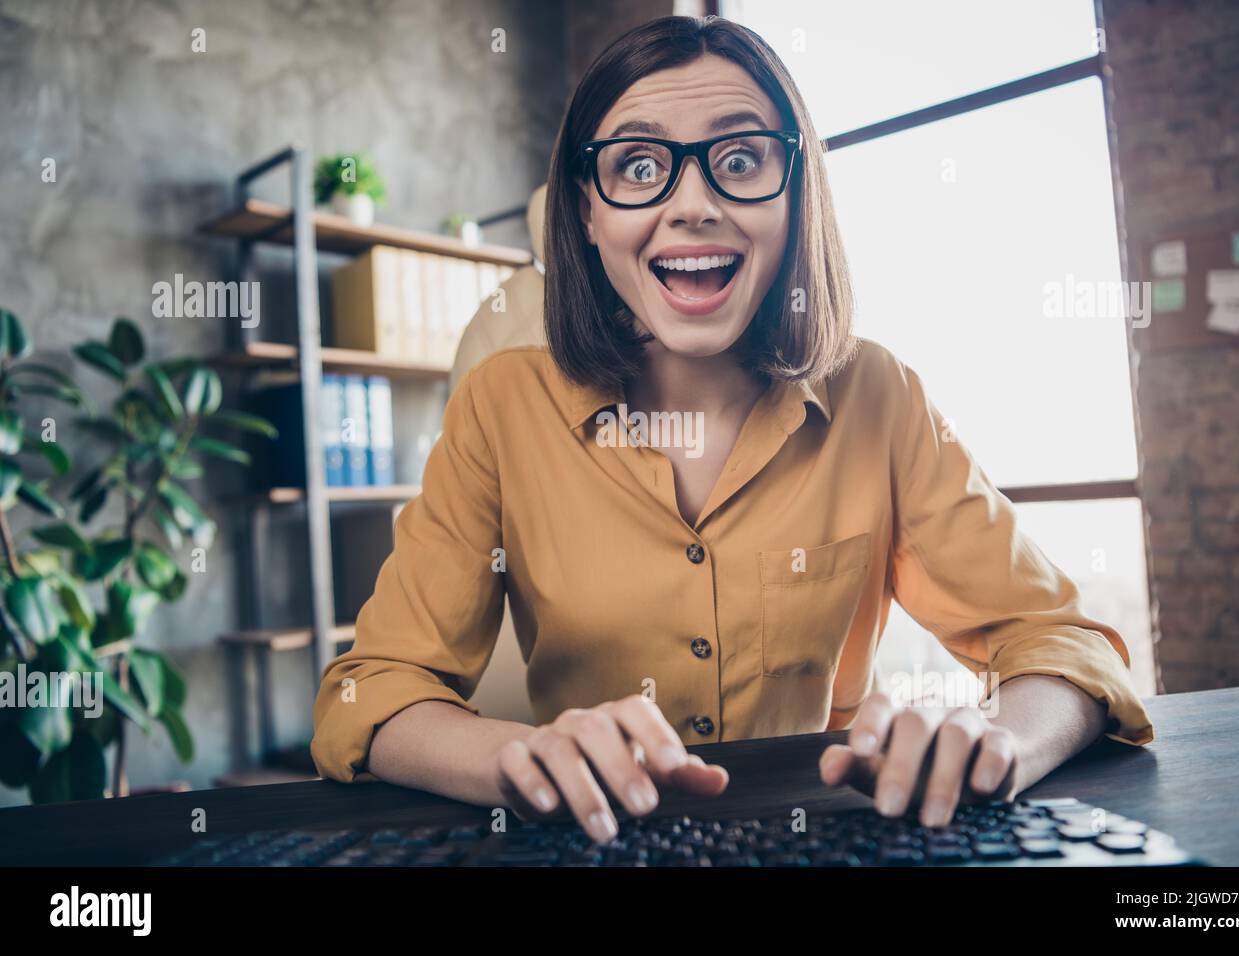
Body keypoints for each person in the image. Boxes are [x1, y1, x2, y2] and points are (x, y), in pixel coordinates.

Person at [312, 14, 1154, 846]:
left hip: (820, 838)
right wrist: (525, 759)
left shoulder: (879, 395)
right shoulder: (501, 406)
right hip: (593, 841)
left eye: (741, 159)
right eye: (639, 165)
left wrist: (997, 740)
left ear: (794, 194)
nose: (693, 205)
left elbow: (1062, 644)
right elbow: (372, 691)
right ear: (586, 211)